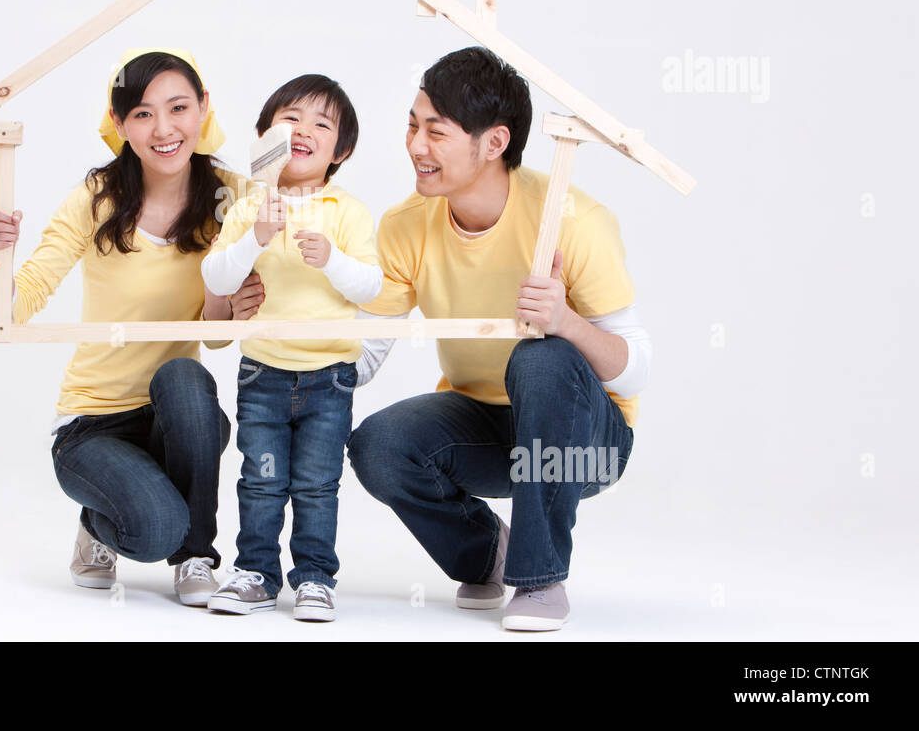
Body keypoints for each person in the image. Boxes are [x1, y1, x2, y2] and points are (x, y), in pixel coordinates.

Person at [348, 46, 651, 631]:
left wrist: (567, 322)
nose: (415, 146)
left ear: (494, 143)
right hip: (487, 430)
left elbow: (636, 369)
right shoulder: (405, 224)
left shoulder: (573, 221)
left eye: (436, 132)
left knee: (541, 360)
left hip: (588, 444)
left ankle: (539, 579)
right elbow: (365, 354)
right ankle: (491, 555)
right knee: (378, 446)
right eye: (412, 125)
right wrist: (290, 344)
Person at [0, 48, 263, 607]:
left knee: (185, 377)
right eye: (143, 114)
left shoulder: (233, 196)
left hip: (177, 416)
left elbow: (218, 337)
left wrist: (227, 296)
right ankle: (97, 521)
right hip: (94, 424)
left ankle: (196, 556)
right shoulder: (97, 197)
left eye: (179, 108)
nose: (164, 129)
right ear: (119, 123)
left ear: (204, 109)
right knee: (154, 529)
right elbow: (18, 304)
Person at [199, 75, 381, 622]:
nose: (303, 131)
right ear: (265, 137)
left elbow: (371, 288)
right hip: (263, 373)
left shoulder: (346, 211)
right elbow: (214, 272)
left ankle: (315, 578)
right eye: (290, 120)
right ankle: (254, 571)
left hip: (331, 376)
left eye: (321, 125)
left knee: (318, 484)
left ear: (341, 150)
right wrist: (255, 235)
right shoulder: (249, 205)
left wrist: (333, 261)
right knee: (260, 477)